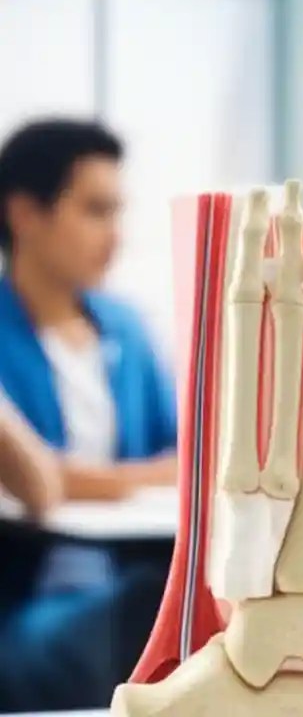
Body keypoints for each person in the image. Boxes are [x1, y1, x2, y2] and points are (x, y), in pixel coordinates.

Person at [0, 119, 177, 502]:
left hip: (132, 552)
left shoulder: (127, 327)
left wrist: (84, 481)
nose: (116, 237)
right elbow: (23, 474)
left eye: (117, 213)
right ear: (24, 214)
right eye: (96, 211)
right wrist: (140, 479)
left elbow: (188, 456)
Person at [0, 390, 162, 711]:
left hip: (103, 576)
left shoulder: (127, 342)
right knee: (152, 597)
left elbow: (183, 459)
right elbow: (42, 486)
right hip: (24, 605)